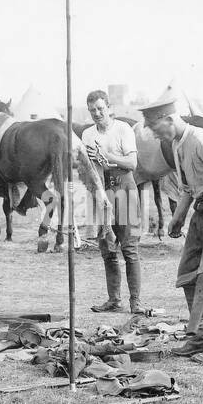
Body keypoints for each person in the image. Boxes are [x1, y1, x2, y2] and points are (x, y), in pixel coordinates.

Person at [139, 96, 203, 356]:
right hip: (200, 209)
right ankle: (199, 338)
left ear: (169, 119)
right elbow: (187, 187)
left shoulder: (202, 140)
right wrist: (178, 217)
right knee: (188, 275)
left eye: (154, 127)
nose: (152, 133)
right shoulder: (175, 143)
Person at [82, 90, 142, 313]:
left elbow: (133, 163)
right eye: (92, 110)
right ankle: (114, 300)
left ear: (109, 107)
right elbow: (86, 165)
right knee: (107, 249)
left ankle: (135, 302)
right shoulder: (88, 134)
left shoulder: (122, 129)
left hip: (124, 188)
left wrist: (107, 156)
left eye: (100, 109)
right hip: (100, 191)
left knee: (129, 248)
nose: (96, 113)